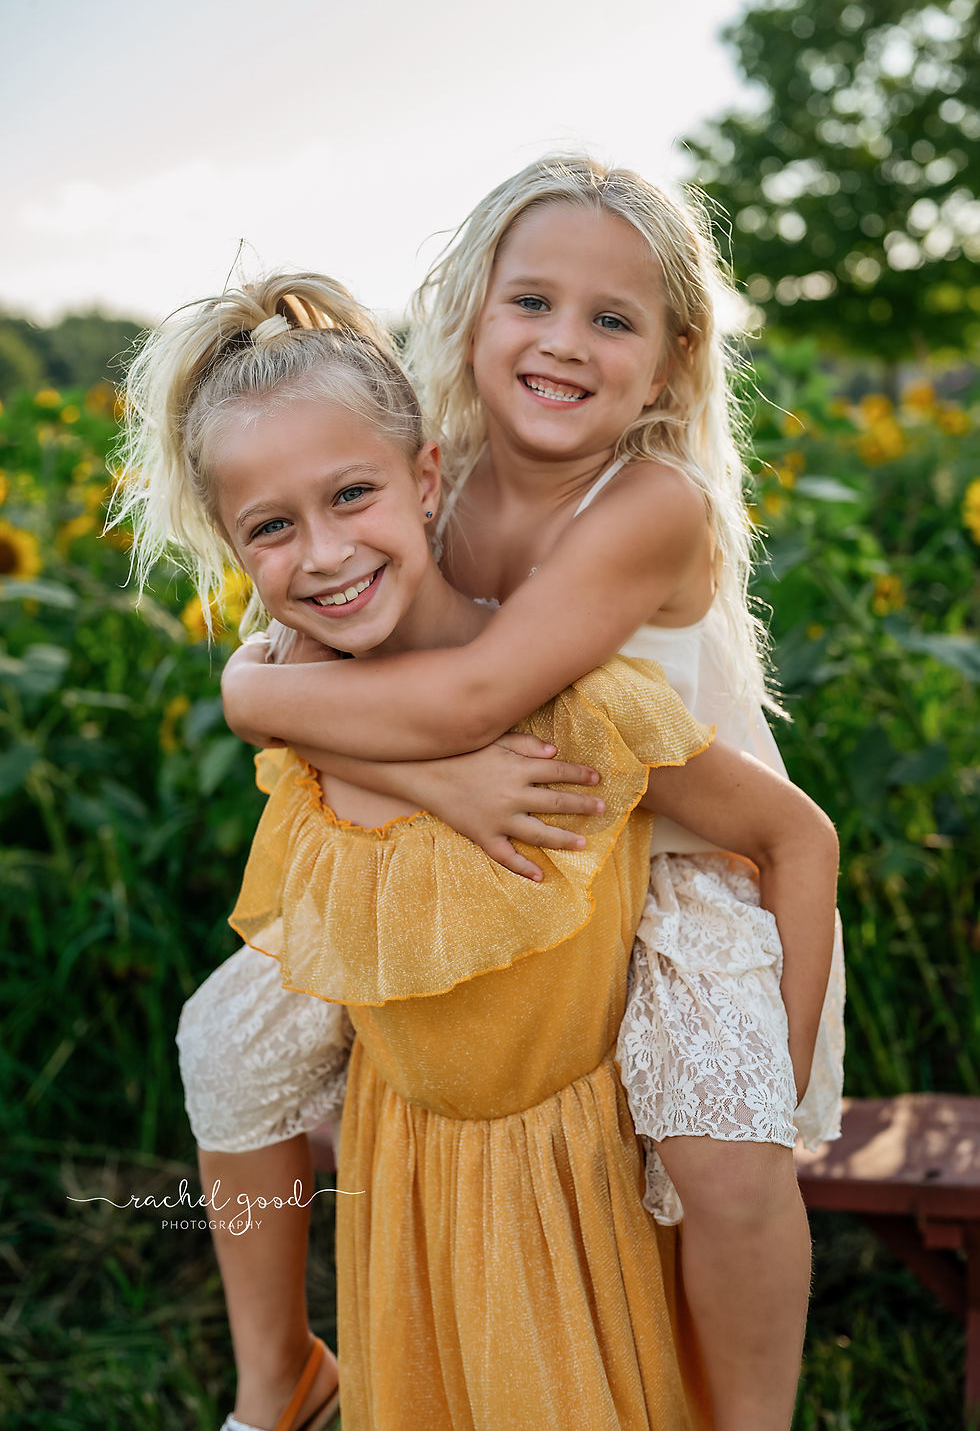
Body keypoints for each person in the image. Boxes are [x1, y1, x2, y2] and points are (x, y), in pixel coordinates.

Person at [114, 267, 839, 1430]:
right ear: (235, 552)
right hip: (410, 1181)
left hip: (557, 1181)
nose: (324, 554)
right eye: (270, 528)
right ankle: (279, 1381)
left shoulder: (574, 703)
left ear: (427, 479)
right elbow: (269, 709)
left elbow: (792, 836)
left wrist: (777, 1087)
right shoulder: (302, 689)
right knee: (225, 1047)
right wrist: (433, 779)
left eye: (353, 495)